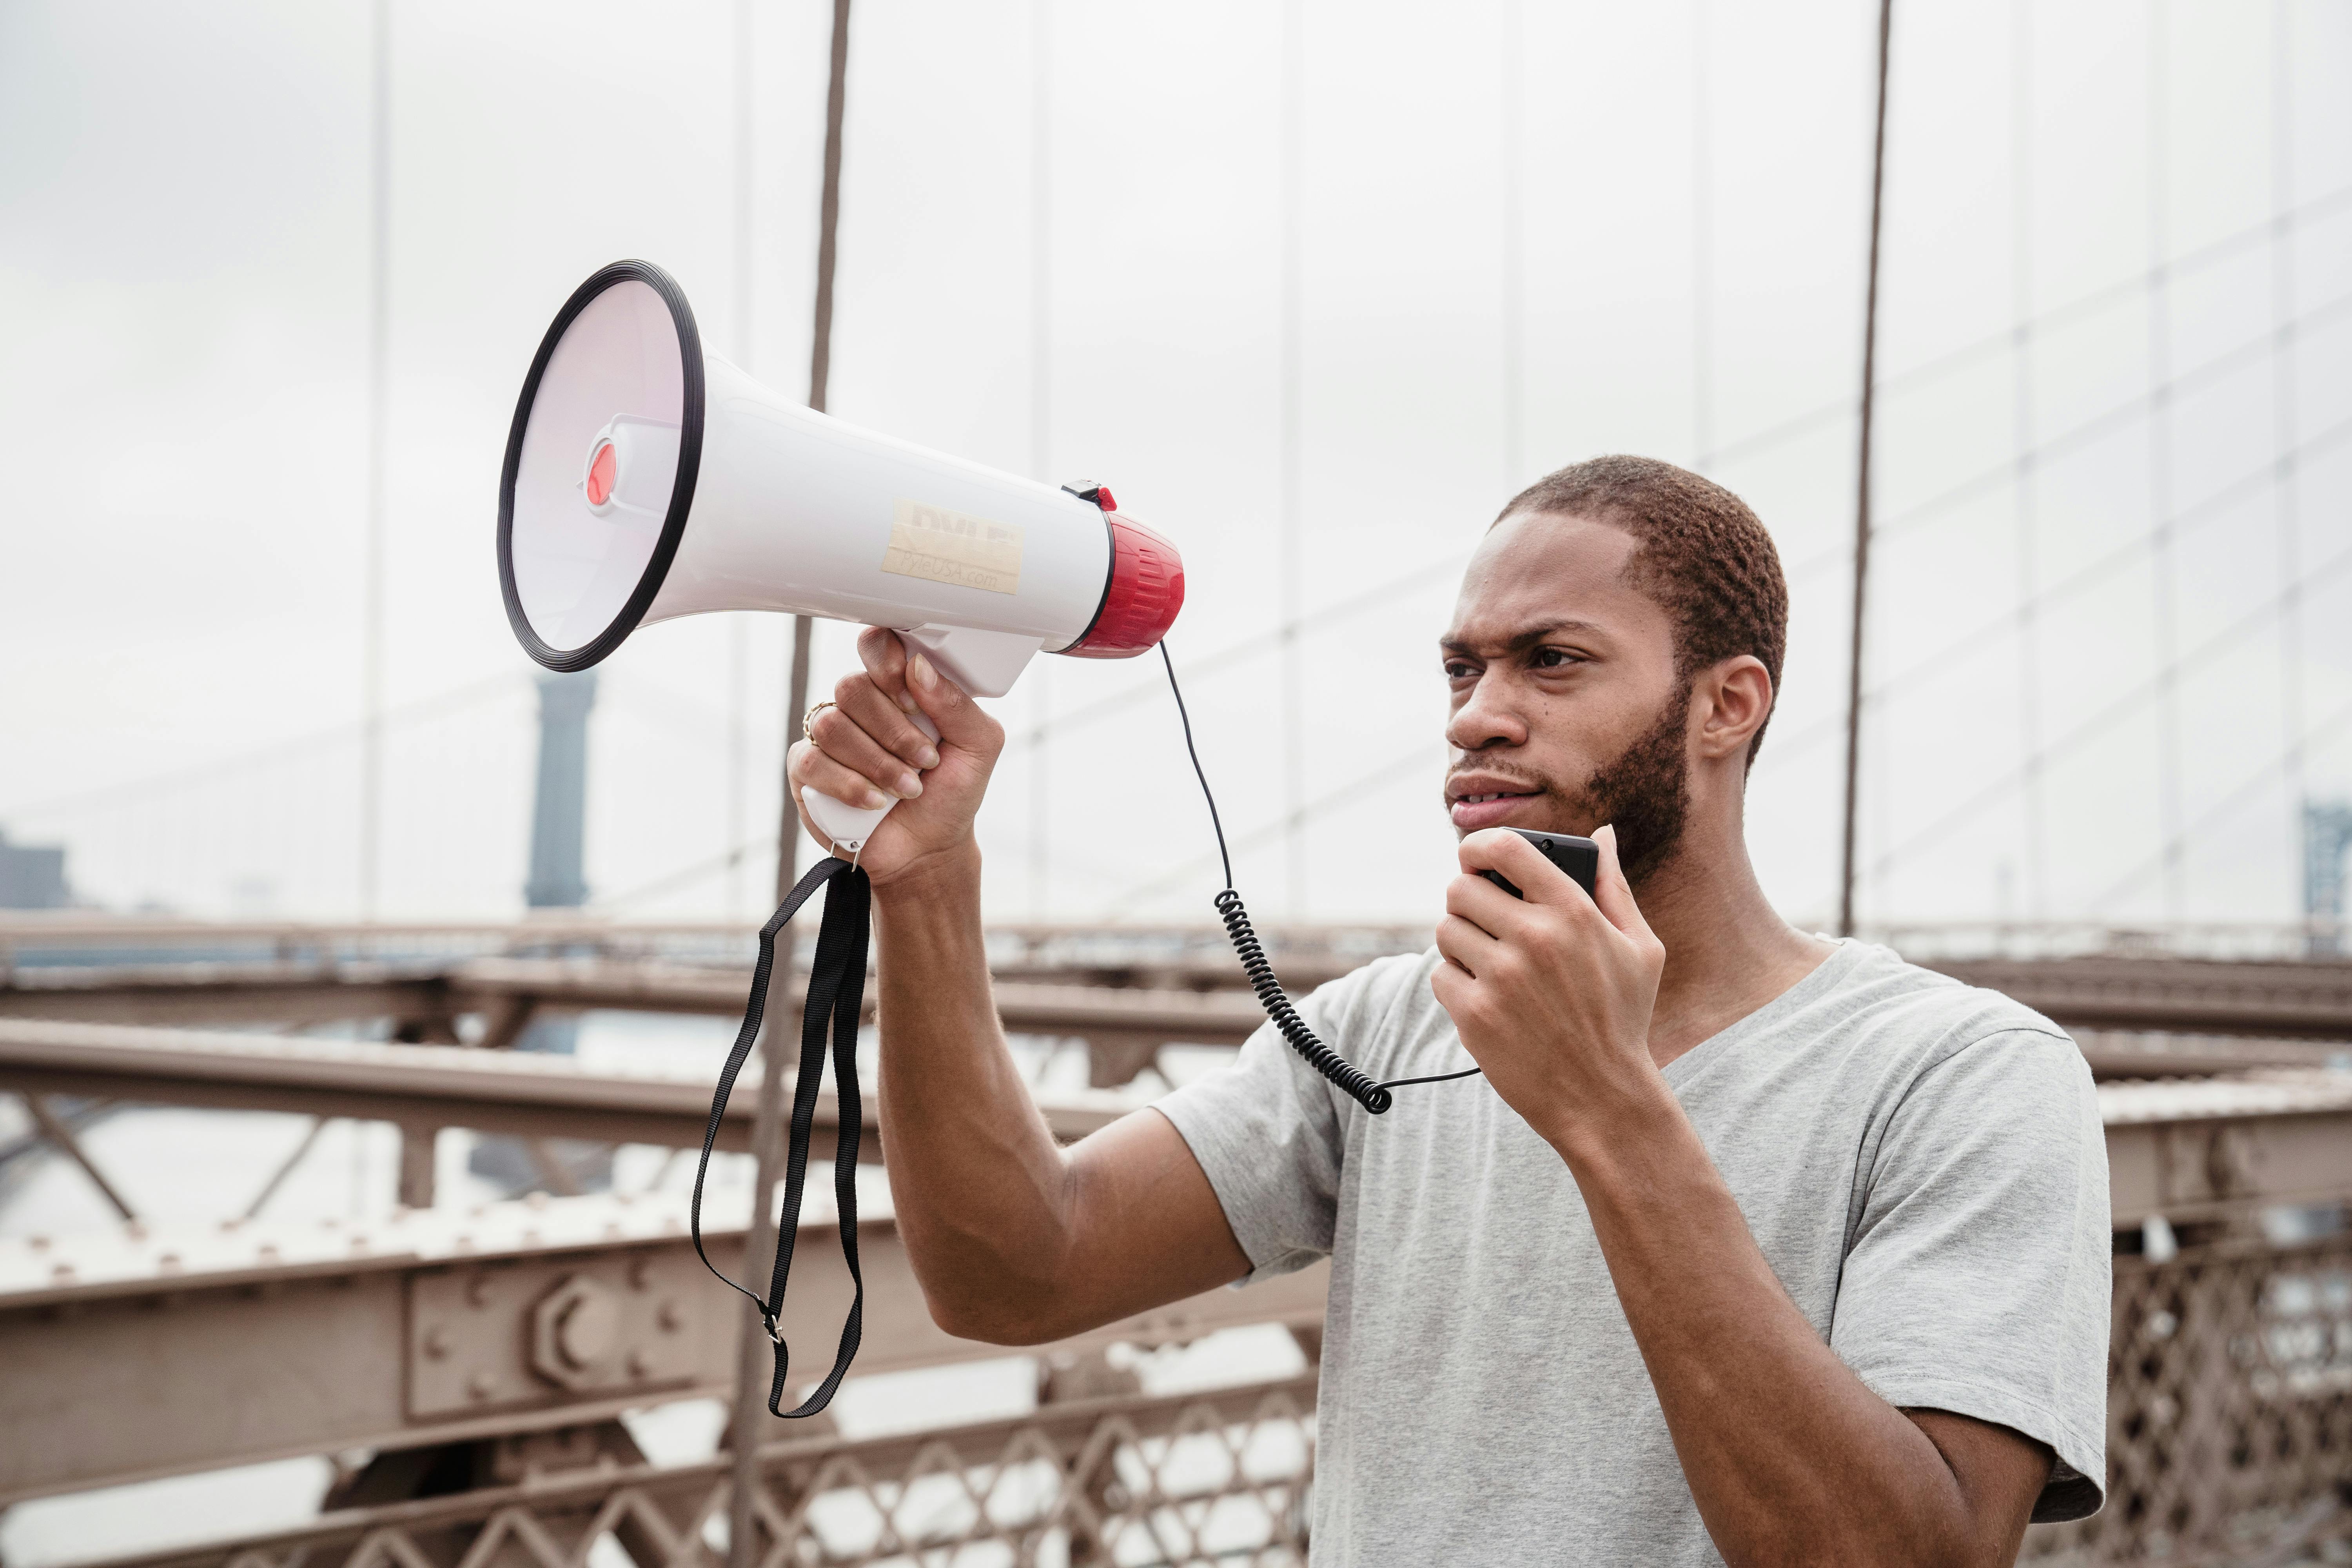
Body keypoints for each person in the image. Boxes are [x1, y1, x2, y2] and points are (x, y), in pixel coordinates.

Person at [787, 455, 2111, 1566]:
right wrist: (928, 884)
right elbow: (1017, 1268)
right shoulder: (1383, 1031)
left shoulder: (1968, 1077)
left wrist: (1607, 1108)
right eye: (1461, 671)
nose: (1479, 717)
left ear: (1727, 703)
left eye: (1552, 662)